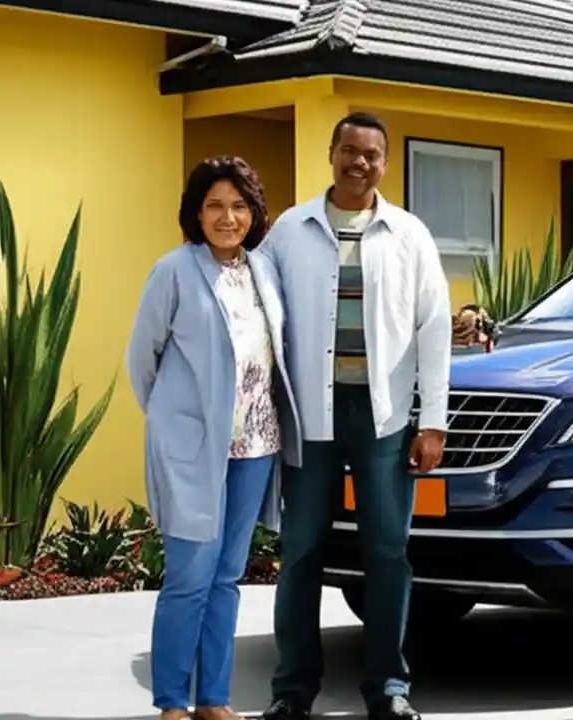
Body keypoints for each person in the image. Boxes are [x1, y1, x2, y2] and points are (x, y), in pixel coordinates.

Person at [258, 111, 452, 720]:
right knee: (301, 552)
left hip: (384, 416)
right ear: (331, 154)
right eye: (348, 150)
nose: (358, 162)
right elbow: (258, 310)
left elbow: (435, 330)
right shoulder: (290, 230)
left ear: (384, 163)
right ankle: (292, 690)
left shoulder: (409, 234)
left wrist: (433, 421)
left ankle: (389, 689)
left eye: (370, 154)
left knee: (388, 552)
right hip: (310, 418)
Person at [126, 156, 301, 720]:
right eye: (215, 206)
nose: (228, 217)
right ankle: (173, 702)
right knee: (189, 578)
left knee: (227, 577)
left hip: (256, 446)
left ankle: (214, 700)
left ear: (253, 213)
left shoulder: (264, 271)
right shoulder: (173, 270)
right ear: (196, 213)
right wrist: (172, 424)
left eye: (239, 206)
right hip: (193, 449)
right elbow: (142, 361)